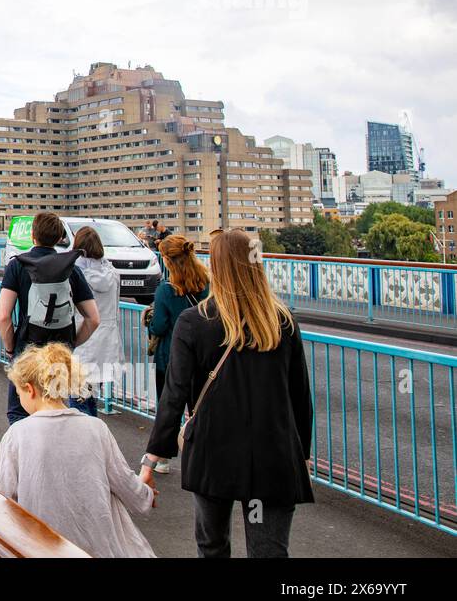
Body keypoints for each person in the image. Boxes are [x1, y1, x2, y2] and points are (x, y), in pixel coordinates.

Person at [141, 228, 313, 558]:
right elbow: (299, 396)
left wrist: (152, 459)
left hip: (212, 452)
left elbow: (173, 397)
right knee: (268, 552)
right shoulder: (282, 321)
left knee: (213, 547)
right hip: (273, 456)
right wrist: (300, 453)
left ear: (216, 269)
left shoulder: (194, 322)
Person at [0, 343, 156, 558]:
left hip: (40, 548)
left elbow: (3, 497)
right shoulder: (96, 428)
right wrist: (147, 493)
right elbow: (124, 483)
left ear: (29, 389)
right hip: (96, 548)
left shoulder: (17, 435)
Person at [0, 211, 100, 424]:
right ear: (60, 237)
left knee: (19, 414)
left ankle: (26, 456)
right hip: (60, 352)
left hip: (26, 349)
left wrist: (10, 348)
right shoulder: (71, 268)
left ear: (33, 235)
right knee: (58, 411)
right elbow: (93, 319)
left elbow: (4, 316)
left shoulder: (17, 265)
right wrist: (71, 343)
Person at [147, 235, 212, 474]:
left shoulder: (166, 290)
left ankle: (162, 459)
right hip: (202, 356)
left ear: (167, 259)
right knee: (198, 409)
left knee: (169, 407)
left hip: (170, 357)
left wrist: (150, 322)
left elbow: (160, 326)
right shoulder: (205, 283)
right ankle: (202, 456)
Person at [71, 226, 123, 417]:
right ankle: (93, 437)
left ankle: (86, 443)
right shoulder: (112, 273)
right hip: (106, 345)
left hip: (83, 342)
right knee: (90, 397)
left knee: (78, 401)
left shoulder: (76, 275)